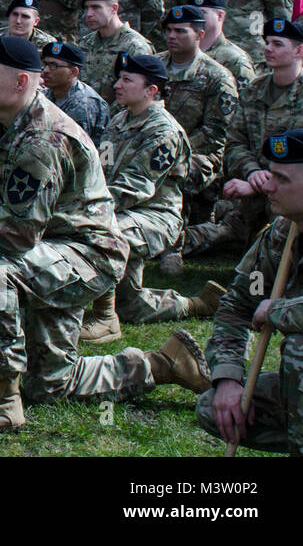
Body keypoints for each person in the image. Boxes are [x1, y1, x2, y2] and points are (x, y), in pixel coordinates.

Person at [0, 34, 211, 437]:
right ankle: (163, 363)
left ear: (21, 83)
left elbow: (14, 236)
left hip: (87, 255)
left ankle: (1, 402)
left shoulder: (44, 139)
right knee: (50, 384)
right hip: (50, 250)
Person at [79, 53, 223, 344]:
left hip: (156, 215)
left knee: (104, 234)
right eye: (119, 78)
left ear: (151, 90)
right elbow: (101, 169)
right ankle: (199, 304)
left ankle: (106, 319)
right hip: (119, 209)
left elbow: (135, 187)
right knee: (131, 306)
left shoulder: (164, 131)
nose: (117, 85)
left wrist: (85, 209)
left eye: (127, 80)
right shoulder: (120, 119)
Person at [196, 127, 303, 457]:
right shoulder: (282, 234)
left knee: (301, 350)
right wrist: (229, 379)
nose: (268, 186)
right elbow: (241, 304)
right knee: (213, 407)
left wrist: (276, 311)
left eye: (282, 179)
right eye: (270, 174)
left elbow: (269, 309)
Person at [181, 18, 303, 264]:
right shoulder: (254, 90)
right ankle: (170, 247)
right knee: (226, 231)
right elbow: (234, 142)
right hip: (249, 187)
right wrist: (251, 173)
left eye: (278, 44)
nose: (268, 49)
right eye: (268, 42)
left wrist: (264, 182)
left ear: (300, 51)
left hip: (293, 194)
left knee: (271, 249)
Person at [156, 4, 239, 226]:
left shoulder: (217, 77)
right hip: (153, 145)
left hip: (199, 155)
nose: (172, 36)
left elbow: (215, 133)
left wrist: (173, 148)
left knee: (170, 168)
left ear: (200, 35)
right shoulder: (154, 66)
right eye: (169, 30)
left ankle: (173, 236)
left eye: (181, 31)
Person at [78, 0, 152, 103]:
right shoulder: (85, 43)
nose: (89, 14)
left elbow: (140, 94)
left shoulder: (135, 46)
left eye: (96, 7)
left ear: (114, 8)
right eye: (86, 8)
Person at [39, 41, 109, 145]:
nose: (45, 70)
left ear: (74, 72)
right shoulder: (46, 94)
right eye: (45, 64)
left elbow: (74, 150)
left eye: (53, 66)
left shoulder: (84, 104)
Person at [189, 0, 256, 91]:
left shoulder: (236, 60)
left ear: (220, 15)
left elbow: (248, 101)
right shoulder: (182, 52)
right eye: (192, 13)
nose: (195, 18)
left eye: (202, 13)